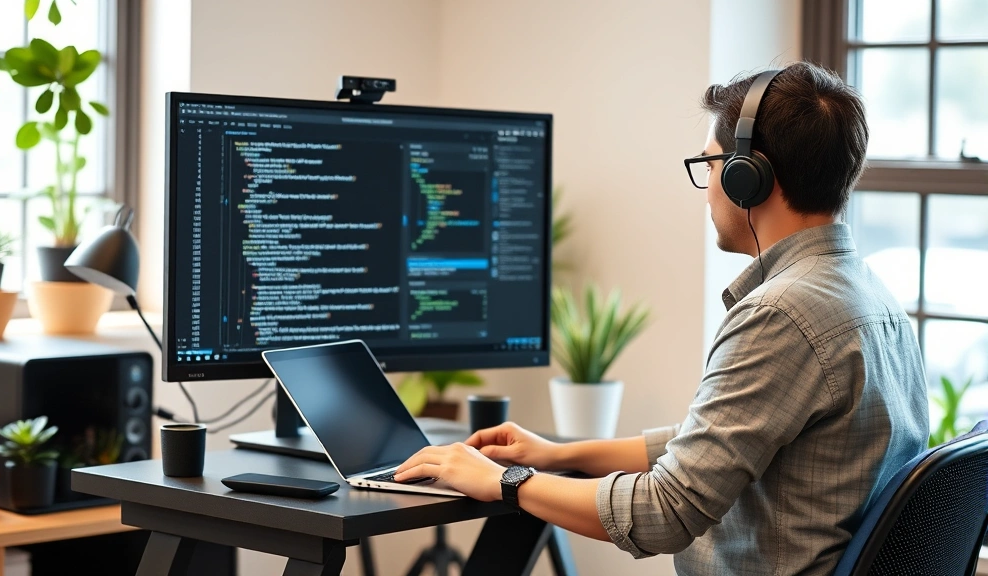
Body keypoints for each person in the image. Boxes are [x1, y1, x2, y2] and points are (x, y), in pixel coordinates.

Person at [394, 61, 929, 575]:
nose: (708, 187)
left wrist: (505, 480)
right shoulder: (869, 296)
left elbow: (664, 513)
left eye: (711, 164)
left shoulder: (781, 314)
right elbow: (719, 439)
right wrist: (562, 453)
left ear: (750, 178)